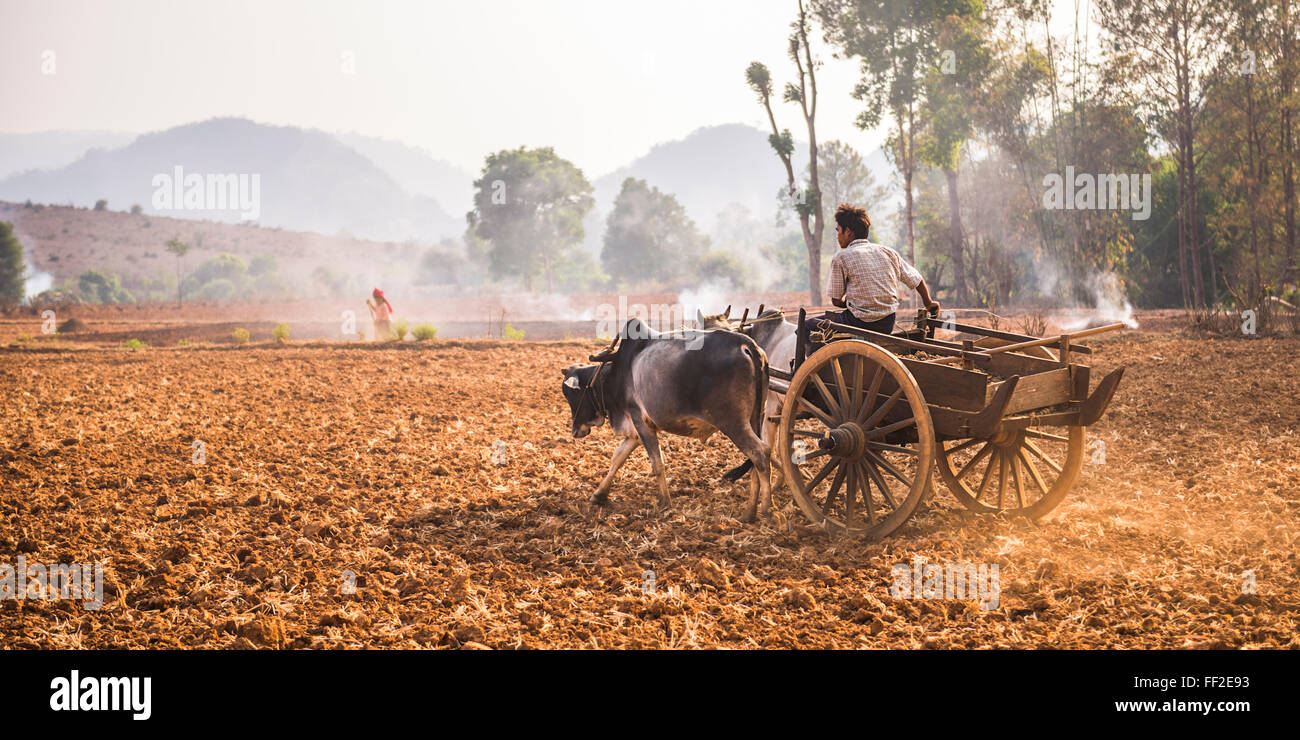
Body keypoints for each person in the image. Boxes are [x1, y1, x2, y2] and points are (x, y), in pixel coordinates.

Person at [805, 203, 940, 337]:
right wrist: (928, 303)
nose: (837, 236)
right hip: (887, 324)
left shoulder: (841, 257)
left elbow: (836, 301)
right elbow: (917, 280)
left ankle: (813, 359)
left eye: (838, 231)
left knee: (806, 326)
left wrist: (855, 303)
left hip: (858, 323)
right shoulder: (888, 252)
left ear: (848, 232)